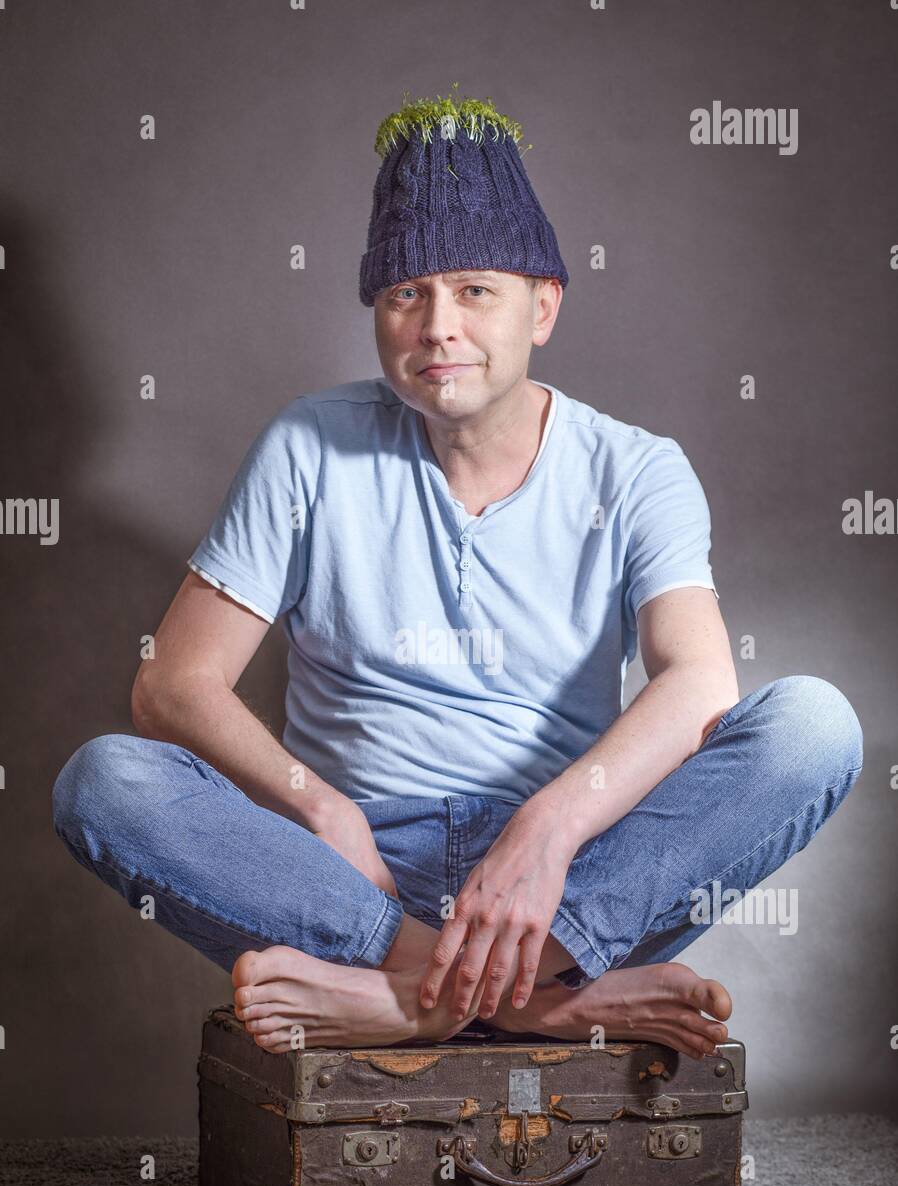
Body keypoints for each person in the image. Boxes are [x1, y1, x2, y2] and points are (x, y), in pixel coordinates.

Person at [51, 91, 863, 1058]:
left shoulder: (638, 469)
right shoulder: (308, 445)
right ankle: (511, 999)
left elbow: (700, 682)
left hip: (575, 879)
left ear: (544, 305)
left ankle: (423, 997)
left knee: (814, 724)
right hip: (354, 881)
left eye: (476, 289)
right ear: (378, 313)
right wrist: (321, 804)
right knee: (103, 781)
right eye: (406, 294)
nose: (438, 326)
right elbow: (172, 684)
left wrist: (549, 829)